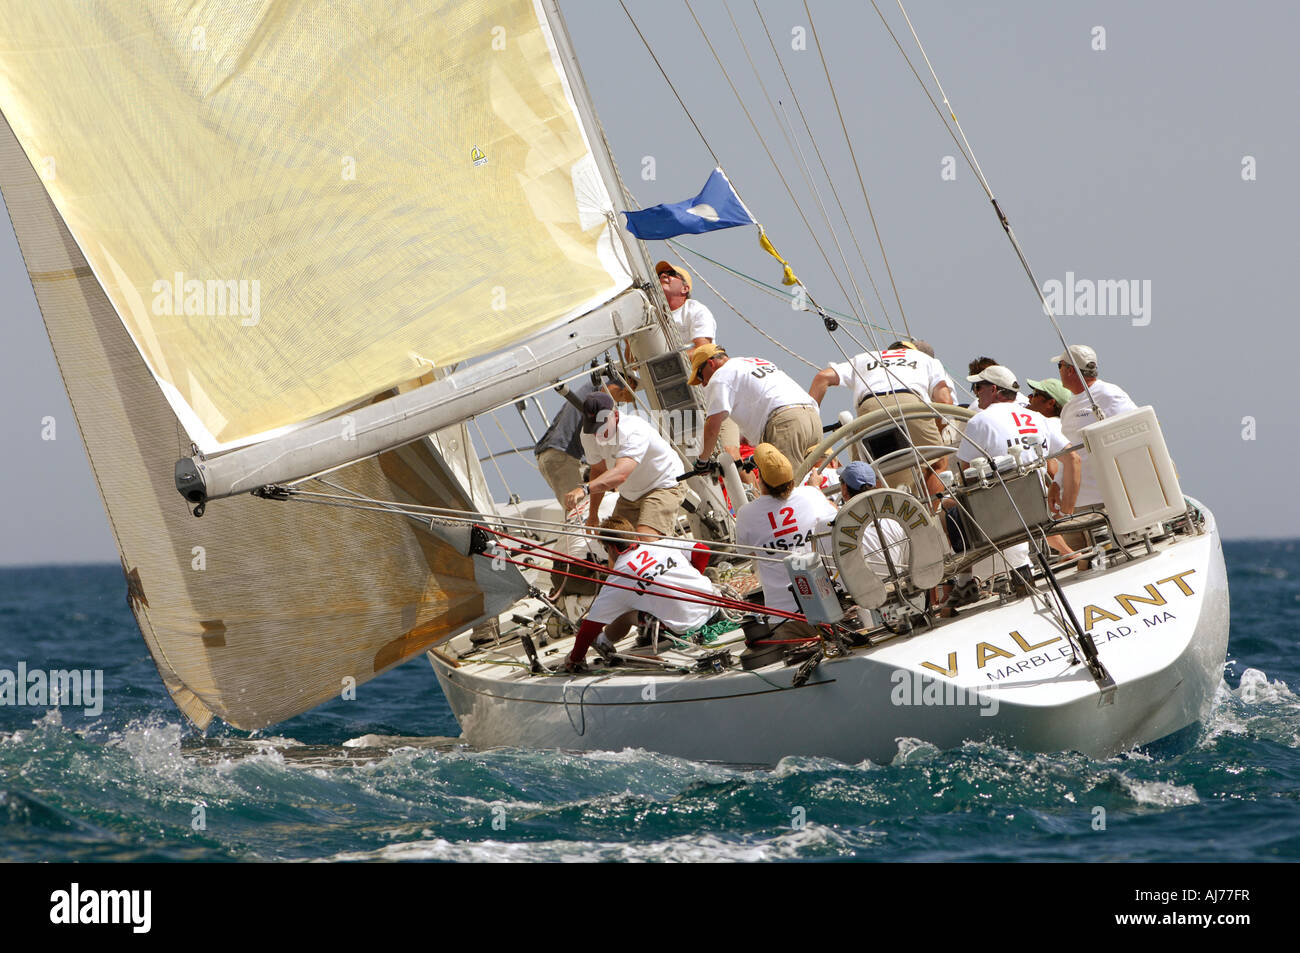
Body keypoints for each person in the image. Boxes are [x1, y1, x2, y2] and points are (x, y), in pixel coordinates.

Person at [956, 365, 1069, 584]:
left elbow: (965, 474)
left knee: (953, 512)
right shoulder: (1038, 418)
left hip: (1004, 511)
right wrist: (1061, 493)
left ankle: (964, 583)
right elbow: (1071, 456)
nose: (975, 392)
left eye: (978, 387)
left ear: (994, 390)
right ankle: (1063, 551)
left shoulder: (979, 421)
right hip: (1042, 503)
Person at [562, 516, 719, 672]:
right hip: (716, 609)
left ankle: (603, 641)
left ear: (610, 549)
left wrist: (575, 658)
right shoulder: (663, 544)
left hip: (687, 628)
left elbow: (589, 627)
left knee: (624, 613)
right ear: (635, 536)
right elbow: (702, 550)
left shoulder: (618, 578)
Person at [809, 340, 954, 500]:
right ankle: (932, 515)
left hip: (870, 408)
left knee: (864, 472)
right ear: (912, 351)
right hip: (909, 404)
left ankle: (874, 516)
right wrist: (937, 433)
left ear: (889, 350)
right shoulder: (926, 360)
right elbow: (945, 402)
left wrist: (810, 423)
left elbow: (822, 377)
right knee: (937, 462)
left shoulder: (865, 357)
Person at [735, 444, 837, 639]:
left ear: (761, 480)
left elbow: (744, 552)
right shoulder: (810, 495)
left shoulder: (746, 514)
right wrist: (816, 490)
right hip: (827, 602)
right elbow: (835, 518)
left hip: (784, 615)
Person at [563, 391, 685, 540]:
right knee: (615, 543)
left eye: (601, 426)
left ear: (615, 415)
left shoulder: (633, 430)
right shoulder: (588, 435)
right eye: (593, 428)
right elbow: (598, 471)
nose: (598, 433)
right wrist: (593, 514)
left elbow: (621, 474)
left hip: (663, 484)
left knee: (646, 536)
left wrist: (584, 489)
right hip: (630, 495)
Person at [689, 345, 823, 472]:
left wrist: (702, 462)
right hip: (813, 420)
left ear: (711, 363)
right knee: (807, 486)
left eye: (700, 376)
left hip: (787, 424)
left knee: (782, 489)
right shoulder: (754, 361)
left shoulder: (720, 376)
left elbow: (713, 426)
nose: (703, 383)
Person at [1051, 344, 1138, 516]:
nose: (1058, 371)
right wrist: (1056, 484)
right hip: (1078, 506)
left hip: (1109, 502)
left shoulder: (1110, 395)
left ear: (1069, 370)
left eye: (1059, 366)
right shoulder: (1068, 408)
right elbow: (1067, 451)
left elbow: (1137, 432)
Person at [837, 460, 911, 580]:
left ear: (844, 489)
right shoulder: (896, 521)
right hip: (901, 588)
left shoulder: (833, 525)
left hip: (862, 595)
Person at [656, 261, 716, 348]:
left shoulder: (696, 310)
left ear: (684, 288)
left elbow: (702, 350)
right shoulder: (649, 313)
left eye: (671, 273)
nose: (662, 276)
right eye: (659, 275)